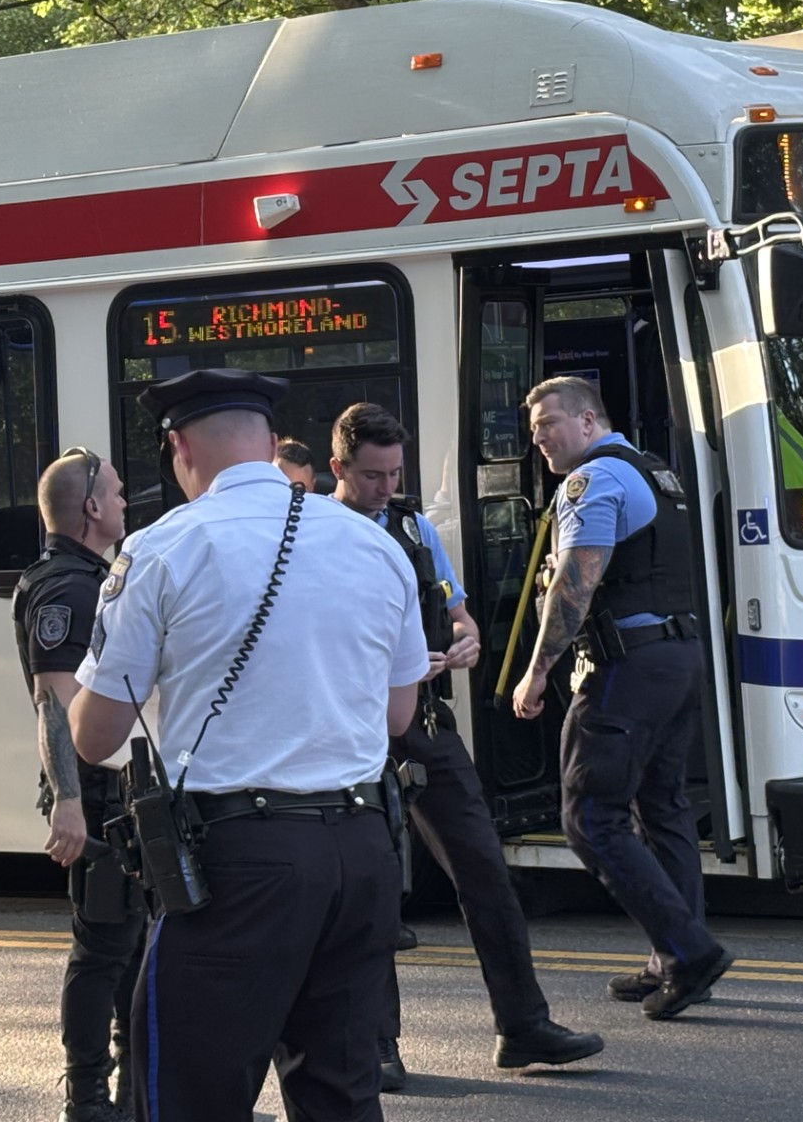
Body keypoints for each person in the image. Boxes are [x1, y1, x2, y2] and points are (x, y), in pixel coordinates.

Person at [71, 368, 430, 1122]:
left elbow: (97, 734)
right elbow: (399, 715)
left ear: (179, 447)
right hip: (364, 852)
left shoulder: (159, 549)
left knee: (190, 1094)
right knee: (340, 1092)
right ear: (271, 442)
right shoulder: (376, 546)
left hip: (240, 860)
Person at [328, 403, 603, 1090]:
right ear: (337, 469)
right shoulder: (314, 536)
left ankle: (523, 1025)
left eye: (394, 473)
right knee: (371, 896)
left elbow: (455, 609)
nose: (385, 487)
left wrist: (467, 637)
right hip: (348, 730)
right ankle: (376, 1044)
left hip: (422, 723)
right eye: (370, 476)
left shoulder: (415, 527)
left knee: (486, 872)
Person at [510, 376, 732, 1020]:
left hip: (626, 667)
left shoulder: (591, 482)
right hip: (678, 659)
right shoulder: (654, 473)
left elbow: (575, 586)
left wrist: (535, 670)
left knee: (588, 816)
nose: (541, 438)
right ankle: (677, 959)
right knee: (660, 809)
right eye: (533, 430)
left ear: (588, 420)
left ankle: (690, 949)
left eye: (550, 423)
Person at [14, 450, 144, 1122]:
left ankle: (135, 1094)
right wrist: (68, 800)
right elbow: (54, 702)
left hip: (118, 793)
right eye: (118, 495)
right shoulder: (67, 587)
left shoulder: (91, 575)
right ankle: (89, 1097)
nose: (125, 503)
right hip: (97, 797)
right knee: (103, 953)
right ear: (91, 508)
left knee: (132, 948)